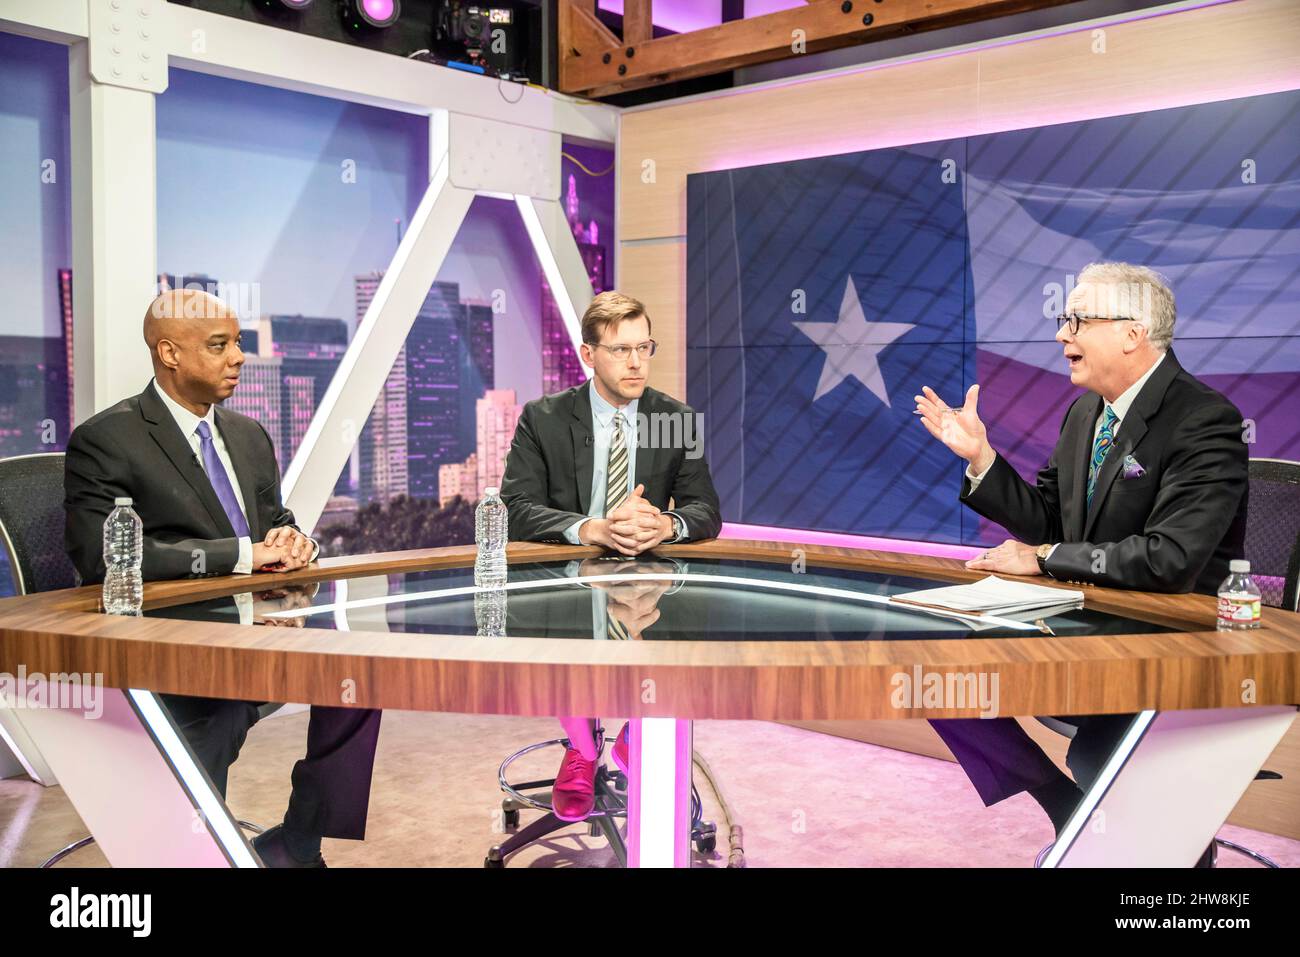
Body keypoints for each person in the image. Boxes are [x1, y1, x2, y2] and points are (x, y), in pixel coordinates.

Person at [913, 262, 1248, 851]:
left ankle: (1170, 856)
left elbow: (1169, 560)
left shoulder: (1204, 419)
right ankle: (1064, 805)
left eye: (1076, 320)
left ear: (1131, 333)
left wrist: (1042, 559)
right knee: (931, 666)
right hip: (1085, 626)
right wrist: (982, 459)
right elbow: (1050, 518)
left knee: (1100, 757)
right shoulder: (1084, 414)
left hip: (1171, 646)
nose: (1062, 335)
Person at [64, 288, 383, 867]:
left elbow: (276, 523)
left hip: (258, 630)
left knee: (360, 672)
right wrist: (241, 554)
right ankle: (183, 855)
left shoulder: (247, 435)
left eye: (238, 343)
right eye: (219, 345)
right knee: (220, 708)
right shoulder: (107, 440)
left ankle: (298, 841)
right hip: (166, 646)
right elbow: (105, 558)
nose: (238, 356)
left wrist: (296, 541)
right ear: (169, 353)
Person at [500, 291, 722, 821]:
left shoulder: (676, 419)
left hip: (649, 572)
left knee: (685, 625)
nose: (635, 362)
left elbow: (706, 510)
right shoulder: (545, 418)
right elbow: (515, 507)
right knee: (561, 633)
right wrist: (591, 528)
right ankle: (581, 746)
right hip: (570, 573)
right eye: (620, 350)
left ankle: (633, 737)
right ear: (587, 354)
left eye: (644, 347)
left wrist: (665, 524)